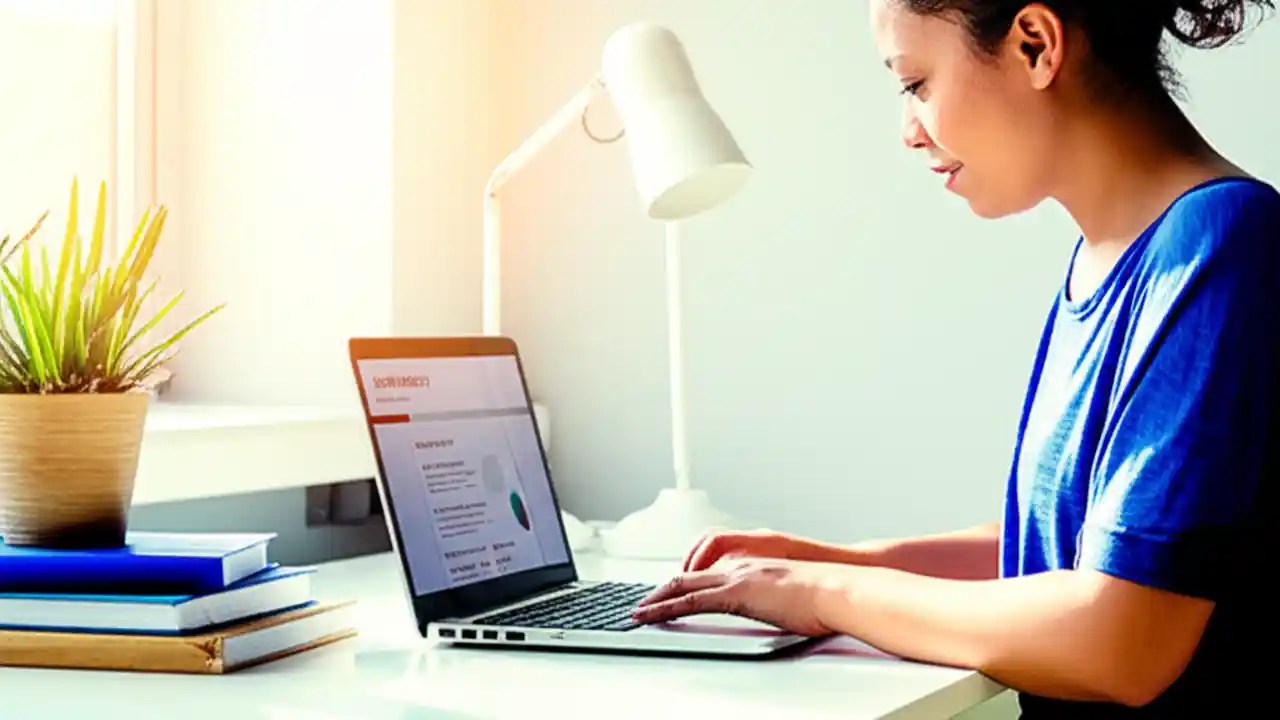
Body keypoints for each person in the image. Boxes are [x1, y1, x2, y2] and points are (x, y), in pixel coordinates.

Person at [630, 1, 1280, 716]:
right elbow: (1066, 546)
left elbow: (1121, 643)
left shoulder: (1219, 245)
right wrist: (838, 561)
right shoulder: (1112, 258)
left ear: (1034, 44)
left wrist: (826, 595)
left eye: (916, 84)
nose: (909, 132)